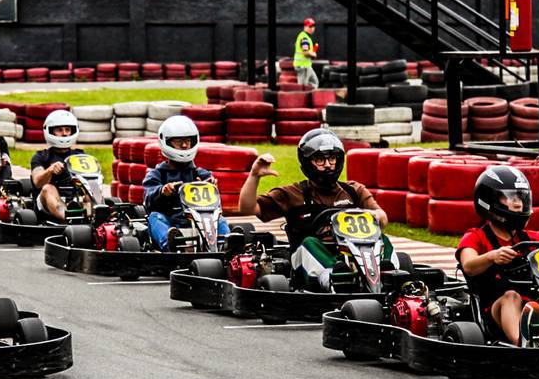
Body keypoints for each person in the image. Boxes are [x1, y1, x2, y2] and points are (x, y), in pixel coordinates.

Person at [237, 127, 389, 289]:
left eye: (332, 158)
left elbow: (382, 218)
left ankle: (388, 276)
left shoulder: (354, 191)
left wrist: (368, 214)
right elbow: (248, 208)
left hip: (354, 254)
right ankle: (333, 279)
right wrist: (254, 176)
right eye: (320, 160)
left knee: (382, 241)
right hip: (309, 257)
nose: (328, 165)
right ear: (307, 162)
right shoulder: (293, 194)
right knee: (309, 242)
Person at [456, 164, 539, 346]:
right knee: (511, 296)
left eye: (520, 197)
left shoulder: (534, 238)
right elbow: (468, 266)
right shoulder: (476, 236)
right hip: (495, 308)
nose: (518, 203)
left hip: (534, 302)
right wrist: (491, 257)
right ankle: (522, 343)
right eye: (510, 197)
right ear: (489, 200)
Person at [141, 115, 229, 251]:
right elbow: (148, 199)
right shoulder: (157, 174)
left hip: (201, 222)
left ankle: (227, 244)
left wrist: (211, 186)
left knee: (221, 220)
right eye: (179, 141)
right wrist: (162, 192)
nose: (184, 145)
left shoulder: (201, 174)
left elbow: (215, 205)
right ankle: (172, 244)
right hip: (171, 222)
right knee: (154, 218)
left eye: (187, 141)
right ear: (167, 142)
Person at [29, 109, 82, 221]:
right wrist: (50, 170)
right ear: (50, 131)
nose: (64, 133)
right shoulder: (41, 156)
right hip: (46, 205)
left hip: (74, 197)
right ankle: (69, 218)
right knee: (48, 188)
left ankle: (94, 218)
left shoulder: (80, 155)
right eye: (59, 130)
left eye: (67, 130)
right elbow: (37, 182)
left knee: (90, 190)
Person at [293, 17, 320, 90]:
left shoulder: (306, 37)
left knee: (314, 82)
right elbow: (305, 52)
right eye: (310, 26)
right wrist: (313, 54)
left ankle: (311, 99)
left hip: (306, 66)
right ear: (305, 27)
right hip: (303, 66)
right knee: (302, 87)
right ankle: (300, 100)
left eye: (313, 26)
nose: (312, 28)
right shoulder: (304, 38)